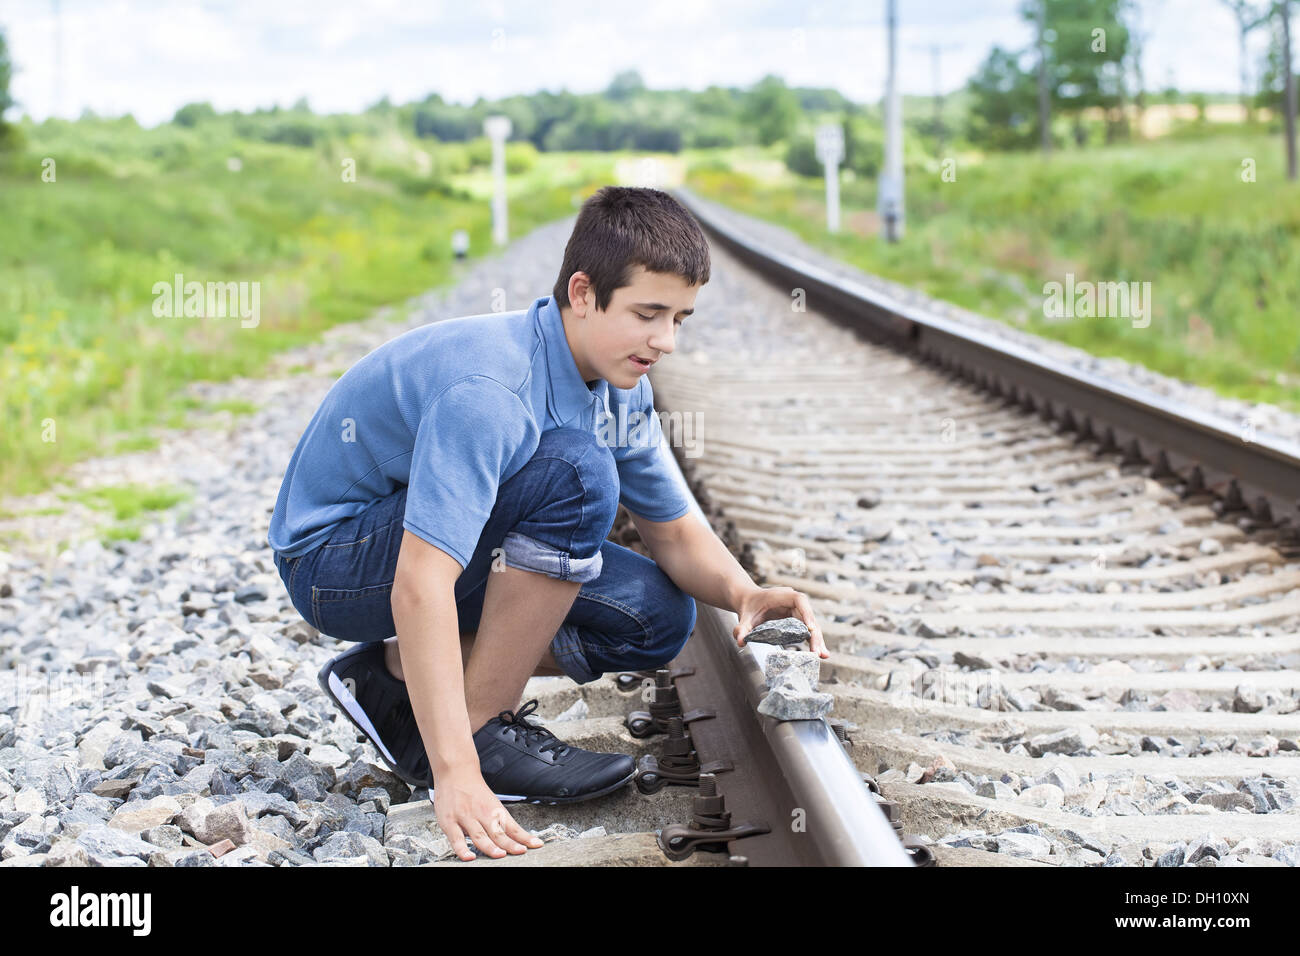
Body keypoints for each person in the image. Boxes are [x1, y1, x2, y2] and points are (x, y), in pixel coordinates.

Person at [267, 185, 827, 862]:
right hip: (334, 561)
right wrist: (455, 775)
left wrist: (745, 594)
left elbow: (673, 532)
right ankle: (479, 736)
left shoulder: (621, 387)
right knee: (576, 472)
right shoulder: (492, 392)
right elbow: (419, 582)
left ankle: (388, 676)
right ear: (583, 293)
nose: (666, 341)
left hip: (426, 547)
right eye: (648, 314)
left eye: (680, 318)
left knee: (658, 615)